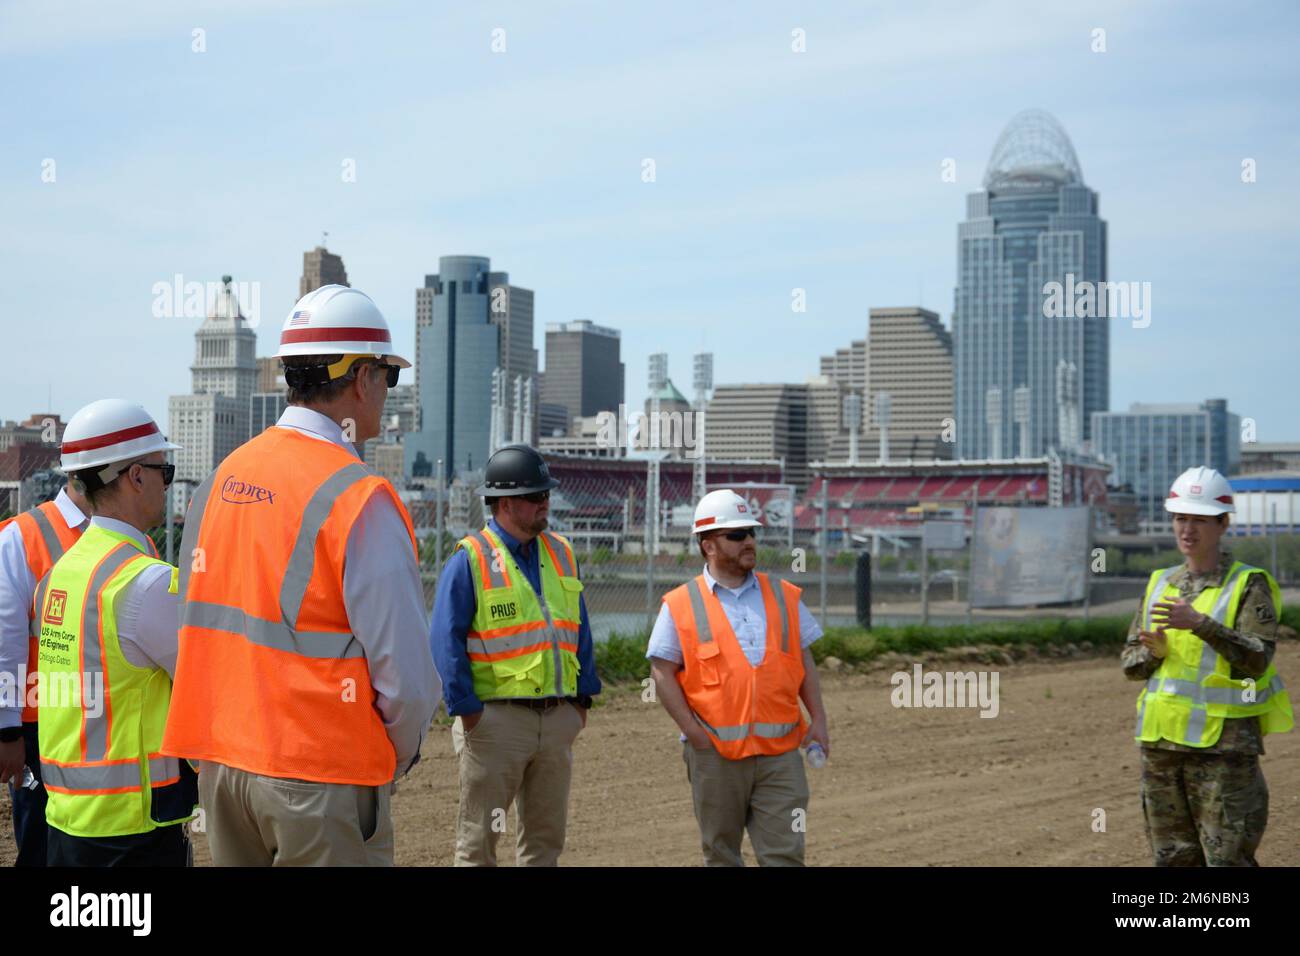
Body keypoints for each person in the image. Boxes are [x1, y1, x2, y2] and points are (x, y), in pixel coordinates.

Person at [162, 285, 440, 866]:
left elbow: (190, 615)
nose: (387, 395)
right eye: (389, 378)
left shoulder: (221, 478)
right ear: (363, 378)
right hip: (320, 773)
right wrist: (391, 757)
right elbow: (407, 678)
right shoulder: (358, 496)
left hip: (222, 767)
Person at [32, 399, 195, 865]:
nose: (168, 484)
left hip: (66, 817)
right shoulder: (147, 583)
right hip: (134, 827)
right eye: (165, 471)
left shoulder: (60, 574)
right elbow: (205, 684)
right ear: (135, 476)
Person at [430, 444, 601, 866]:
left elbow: (580, 632)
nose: (546, 502)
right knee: (478, 844)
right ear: (505, 503)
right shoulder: (470, 559)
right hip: (495, 723)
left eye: (545, 494)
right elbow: (443, 642)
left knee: (545, 843)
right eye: (535, 496)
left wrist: (581, 702)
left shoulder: (561, 552)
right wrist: (468, 712)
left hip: (556, 719)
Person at [647, 489, 829, 866]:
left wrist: (819, 721)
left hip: (780, 755)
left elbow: (804, 659)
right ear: (708, 545)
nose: (749, 541)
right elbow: (661, 671)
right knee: (721, 853)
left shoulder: (784, 595)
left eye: (751, 533)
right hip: (714, 755)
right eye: (737, 535)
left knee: (785, 854)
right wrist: (693, 734)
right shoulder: (681, 603)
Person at [1121, 466, 1292, 866]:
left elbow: (1257, 660)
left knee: (1227, 860)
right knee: (1173, 858)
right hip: (1160, 746)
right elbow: (1131, 665)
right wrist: (1155, 653)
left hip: (1224, 749)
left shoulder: (1248, 585)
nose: (1187, 529)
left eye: (1199, 519)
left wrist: (1201, 624)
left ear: (1222, 524)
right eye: (1181, 517)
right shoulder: (1159, 583)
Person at [0, 471, 91, 867]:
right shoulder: (24, 536)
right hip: (41, 730)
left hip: (103, 726)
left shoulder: (133, 536)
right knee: (42, 847)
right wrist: (7, 731)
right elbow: (6, 639)